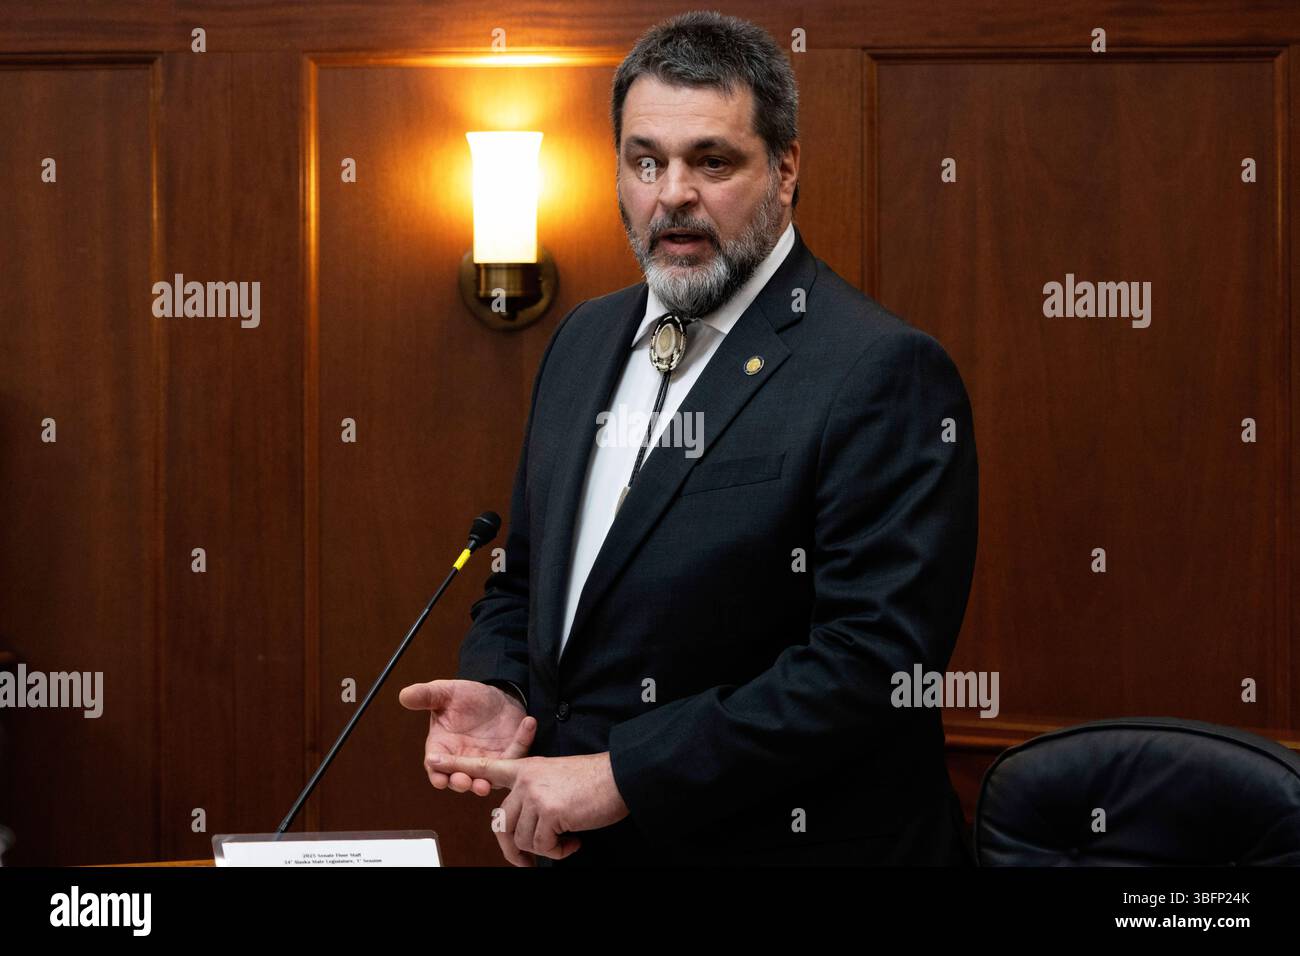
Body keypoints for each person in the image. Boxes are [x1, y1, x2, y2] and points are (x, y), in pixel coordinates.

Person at [398, 10, 978, 867]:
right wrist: (503, 686)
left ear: (784, 171)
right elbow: (525, 580)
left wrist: (621, 774)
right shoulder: (583, 342)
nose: (672, 192)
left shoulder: (881, 369)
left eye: (712, 160)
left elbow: (872, 667)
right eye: (646, 161)